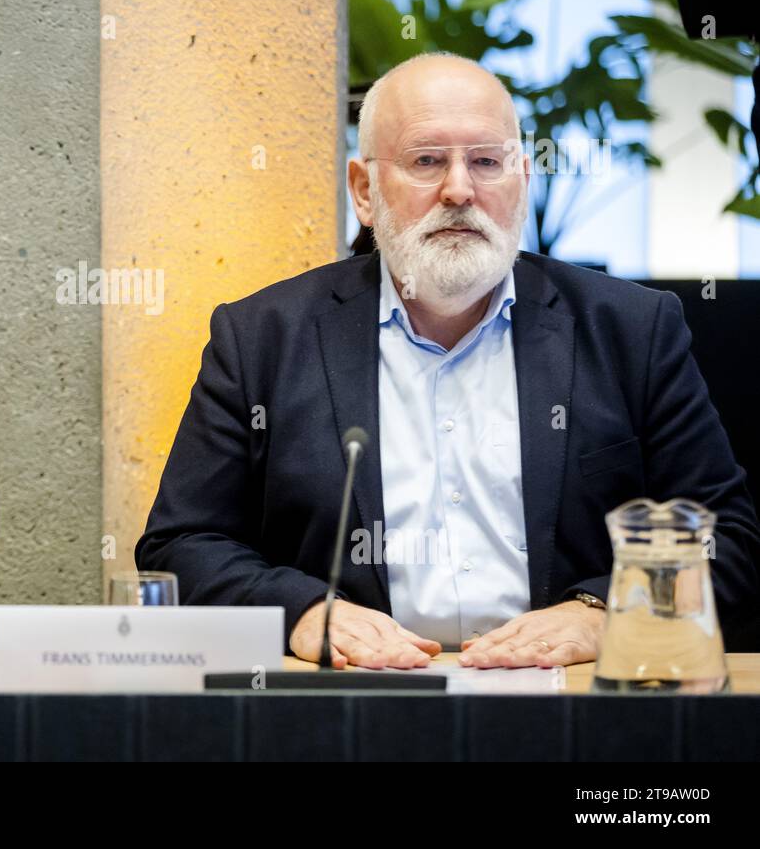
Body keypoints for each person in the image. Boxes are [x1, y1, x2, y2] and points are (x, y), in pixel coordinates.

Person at [137, 52, 760, 669]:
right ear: (364, 190)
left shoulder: (630, 330)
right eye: (426, 161)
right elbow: (180, 546)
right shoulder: (262, 338)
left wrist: (604, 612)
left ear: (521, 182)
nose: (460, 190)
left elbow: (729, 544)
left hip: (570, 697)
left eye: (487, 162)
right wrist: (300, 612)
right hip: (356, 696)